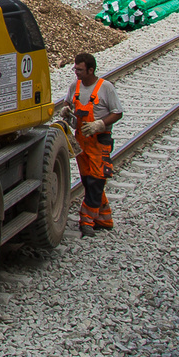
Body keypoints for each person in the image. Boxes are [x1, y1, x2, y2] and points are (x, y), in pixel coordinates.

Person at [63, 52, 123, 237]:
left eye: (80, 69)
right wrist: (67, 109)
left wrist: (100, 124)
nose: (76, 72)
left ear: (91, 70)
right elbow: (68, 102)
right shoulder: (76, 85)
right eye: (75, 68)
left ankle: (86, 220)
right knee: (89, 181)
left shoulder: (106, 88)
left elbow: (118, 112)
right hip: (82, 141)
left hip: (99, 142)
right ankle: (104, 219)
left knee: (96, 181)